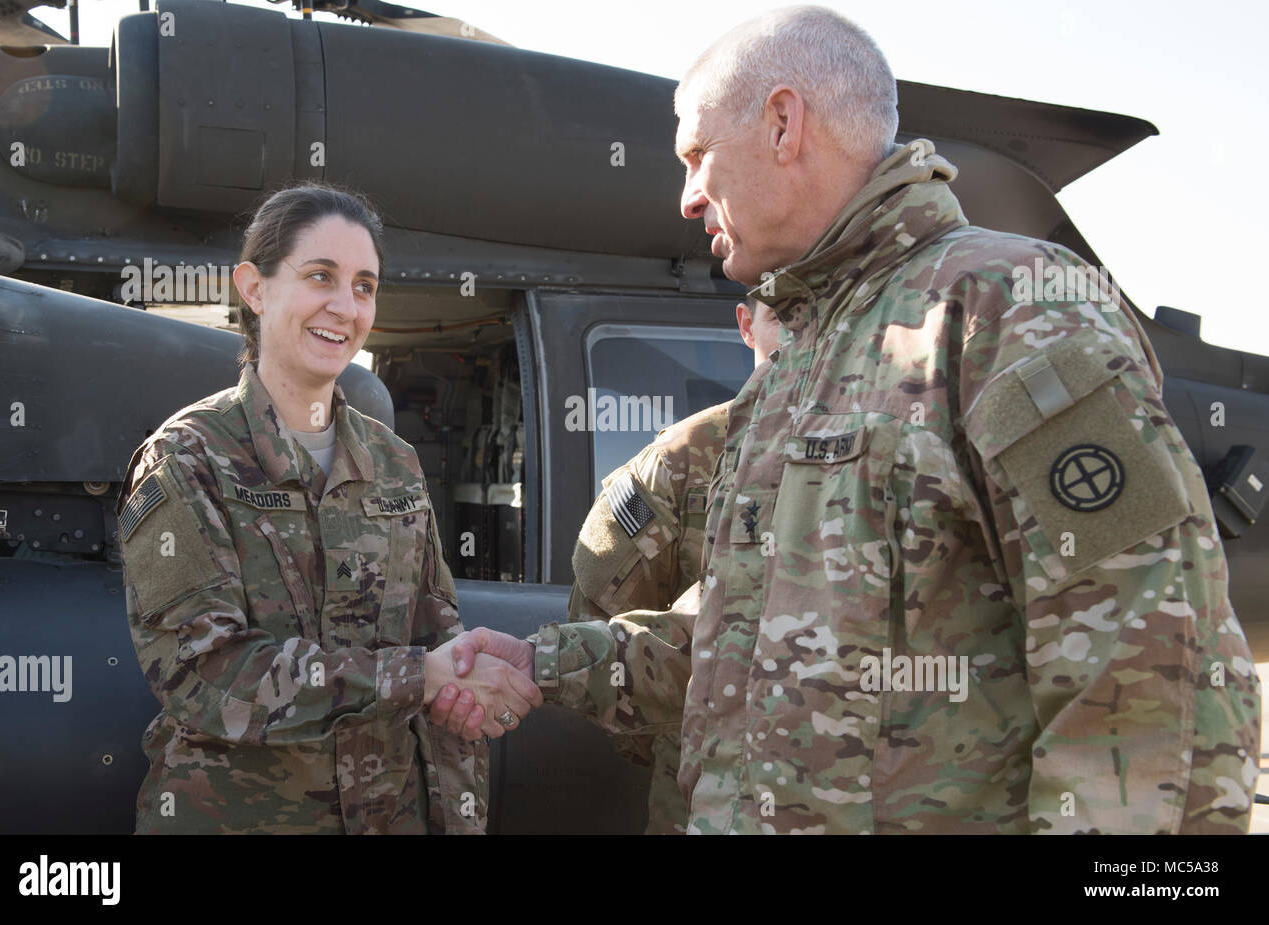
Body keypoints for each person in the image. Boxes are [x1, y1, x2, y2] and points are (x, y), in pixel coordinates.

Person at [442, 6, 1261, 834]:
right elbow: (747, 635)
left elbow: (1154, 663)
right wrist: (546, 659)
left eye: (697, 155)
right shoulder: (792, 371)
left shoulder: (1003, 309)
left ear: (784, 123)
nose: (688, 196)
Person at [118, 183, 541, 834]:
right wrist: (416, 677)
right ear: (255, 288)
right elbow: (206, 673)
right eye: (321, 276)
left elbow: (434, 631)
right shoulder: (187, 459)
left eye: (365, 286)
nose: (345, 306)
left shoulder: (392, 460)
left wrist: (462, 677)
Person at [566, 298, 780, 834]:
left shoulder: (893, 447)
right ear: (747, 326)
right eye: (784, 318)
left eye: (818, 317)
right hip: (705, 795)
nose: (803, 337)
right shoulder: (686, 459)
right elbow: (597, 609)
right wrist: (675, 736)